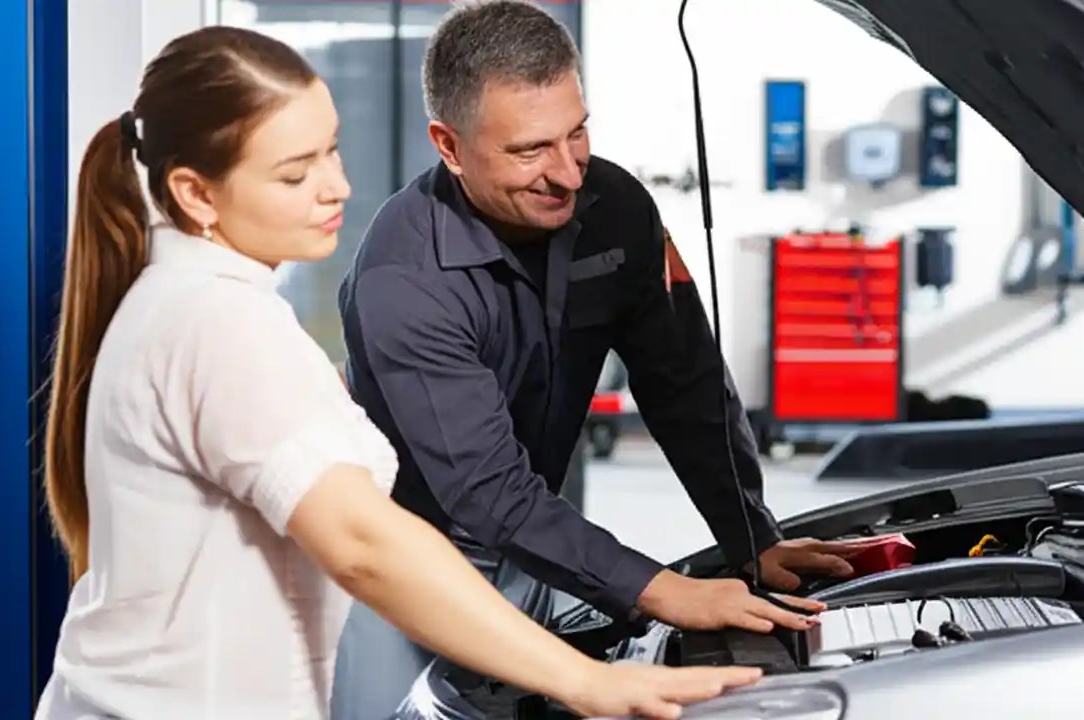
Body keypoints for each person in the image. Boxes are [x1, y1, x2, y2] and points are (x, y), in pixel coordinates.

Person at [33, 25, 766, 720]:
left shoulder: (192, 301)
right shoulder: (223, 325)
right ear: (197, 194)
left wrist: (750, 544)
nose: (337, 188)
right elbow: (365, 542)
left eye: (332, 152)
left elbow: (682, 381)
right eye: (296, 173)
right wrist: (591, 677)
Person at [333, 2, 863, 717]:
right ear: (449, 147)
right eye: (529, 151)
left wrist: (749, 537)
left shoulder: (617, 207)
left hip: (538, 543)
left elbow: (684, 381)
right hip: (402, 571)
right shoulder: (405, 278)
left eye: (576, 134)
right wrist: (663, 590)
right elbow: (487, 491)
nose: (567, 174)